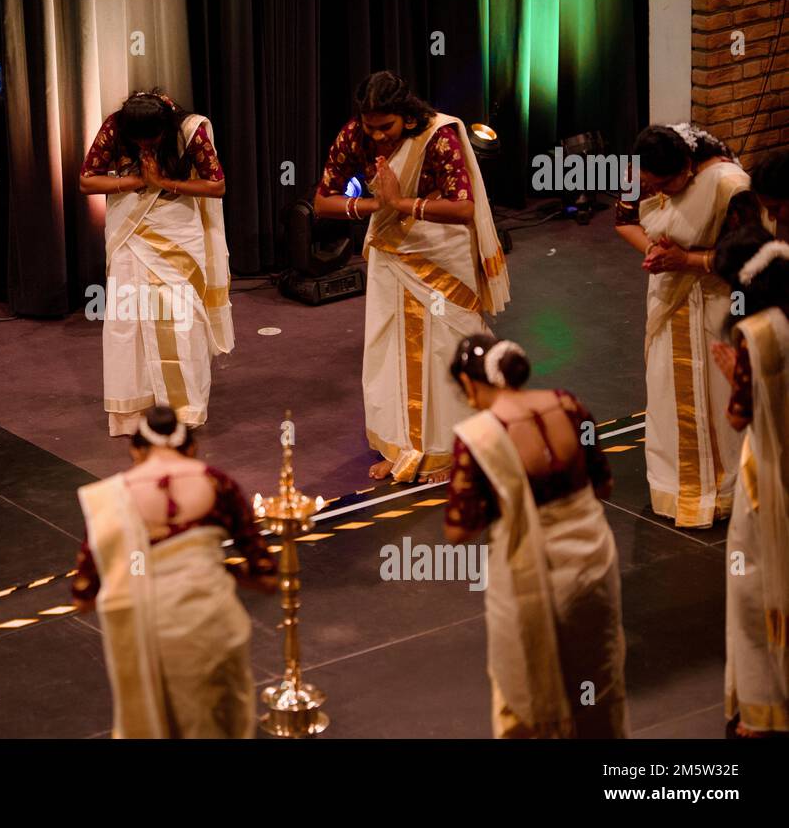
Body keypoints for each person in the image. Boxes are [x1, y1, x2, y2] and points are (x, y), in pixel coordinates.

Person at [314, 71, 510, 484]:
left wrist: (401, 203)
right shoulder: (356, 136)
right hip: (391, 251)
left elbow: (463, 209)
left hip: (441, 249)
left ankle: (453, 448)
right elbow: (322, 201)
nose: (379, 136)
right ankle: (402, 446)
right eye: (372, 127)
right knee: (390, 349)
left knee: (444, 347)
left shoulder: (439, 136)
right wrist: (372, 206)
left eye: (386, 127)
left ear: (406, 114)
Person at [446, 335, 628, 738]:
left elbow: (459, 528)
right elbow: (603, 484)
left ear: (470, 382)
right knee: (596, 671)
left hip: (530, 573)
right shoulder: (569, 404)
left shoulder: (479, 438)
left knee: (527, 684)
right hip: (593, 562)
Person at [72, 406, 277, 737]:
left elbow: (82, 596)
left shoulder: (112, 498)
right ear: (192, 447)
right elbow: (267, 576)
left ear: (135, 450)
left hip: (151, 631)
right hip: (216, 623)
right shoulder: (218, 483)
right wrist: (220, 570)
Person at [615, 123, 759, 528]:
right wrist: (655, 253)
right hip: (670, 295)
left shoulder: (728, 184)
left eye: (666, 185)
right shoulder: (641, 171)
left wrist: (689, 262)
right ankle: (677, 487)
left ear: (689, 168)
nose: (657, 192)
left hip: (717, 296)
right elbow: (624, 221)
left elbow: (752, 251)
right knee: (665, 391)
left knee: (718, 391)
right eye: (649, 184)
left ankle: (730, 493)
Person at [80, 90, 234, 436]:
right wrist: (137, 182)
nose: (145, 148)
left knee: (180, 319)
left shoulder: (189, 130)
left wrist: (164, 183)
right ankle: (135, 411)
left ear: (166, 128)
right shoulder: (115, 128)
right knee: (127, 319)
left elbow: (217, 184)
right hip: (129, 232)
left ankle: (182, 410)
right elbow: (87, 180)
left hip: (176, 228)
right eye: (138, 143)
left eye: (152, 141)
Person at [712, 225, 789, 737]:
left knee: (753, 587)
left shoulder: (758, 338)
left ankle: (763, 708)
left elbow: (741, 416)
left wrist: (731, 370)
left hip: (770, 475)